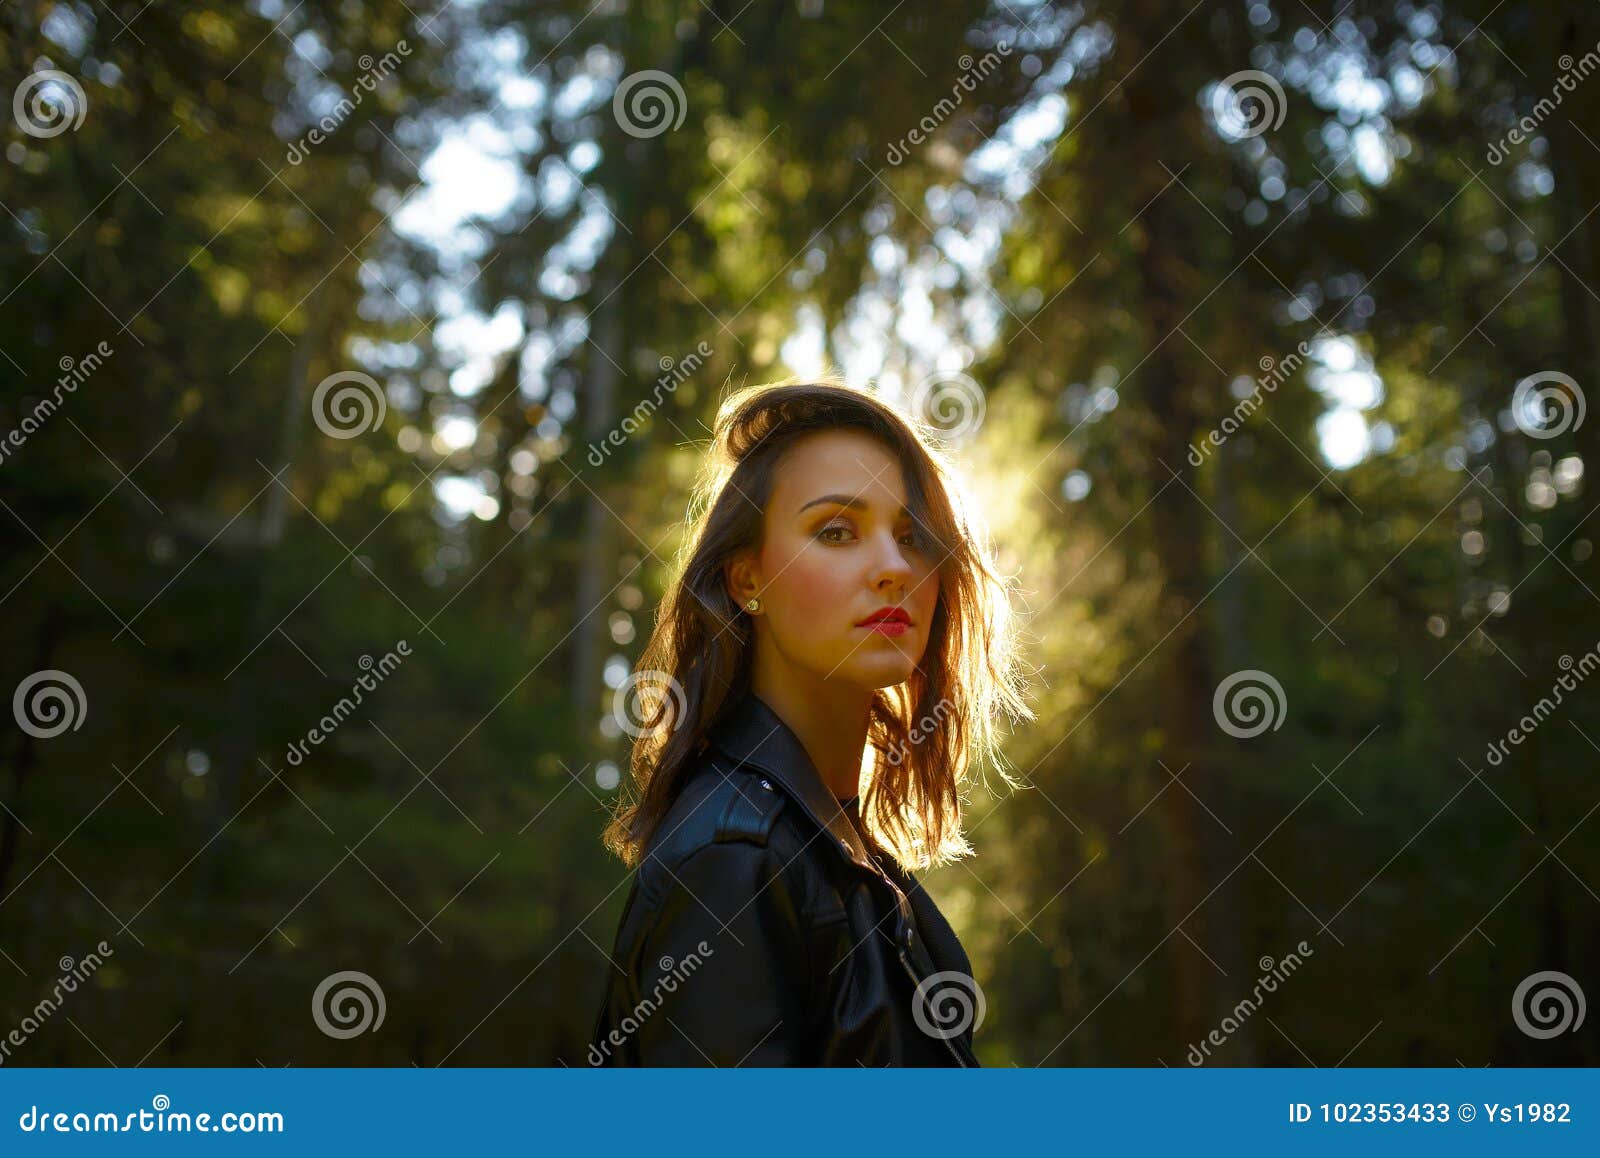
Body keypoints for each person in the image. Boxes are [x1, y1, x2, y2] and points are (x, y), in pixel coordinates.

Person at [588, 378, 1031, 1066]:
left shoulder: (838, 844)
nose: (894, 567)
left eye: (912, 536)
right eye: (835, 531)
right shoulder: (734, 859)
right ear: (747, 580)